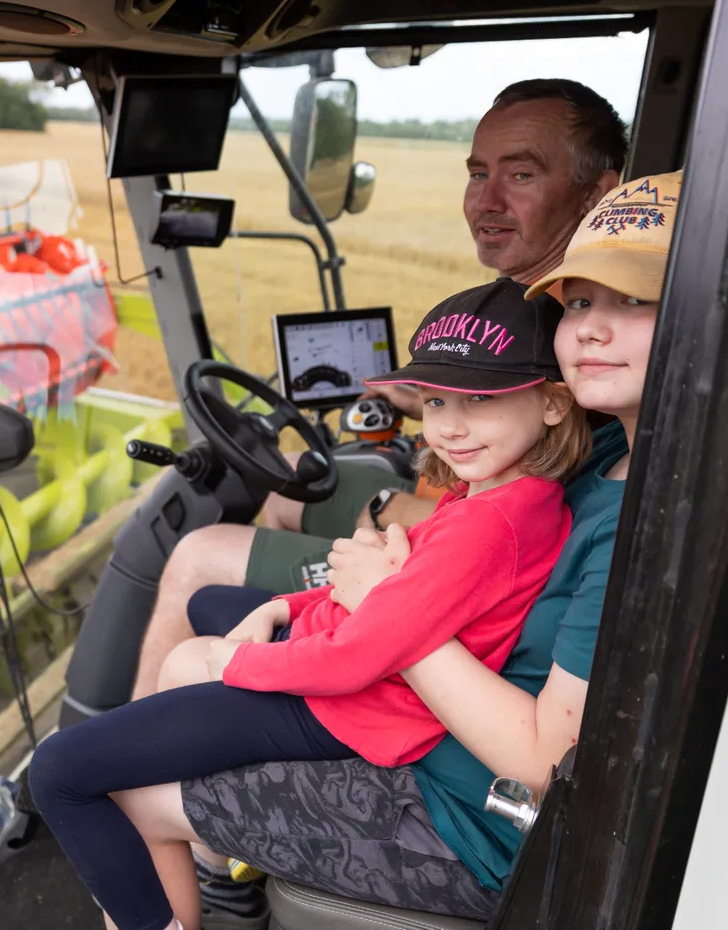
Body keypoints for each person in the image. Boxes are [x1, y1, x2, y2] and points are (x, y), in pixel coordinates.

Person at [104, 170, 683, 928]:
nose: (592, 329)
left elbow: (546, 762)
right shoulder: (609, 447)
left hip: (464, 821)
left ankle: (223, 880)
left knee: (132, 793)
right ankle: (227, 866)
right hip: (437, 742)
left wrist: (385, 603)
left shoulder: (635, 524)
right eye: (578, 303)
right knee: (211, 635)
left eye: (635, 300)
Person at [30, 279, 595, 930]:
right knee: (212, 599)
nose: (449, 426)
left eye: (479, 399)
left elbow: (357, 657)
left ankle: (191, 883)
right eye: (436, 399)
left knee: (62, 770)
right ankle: (215, 859)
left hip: (355, 709)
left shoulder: (486, 524)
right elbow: (394, 601)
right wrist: (283, 610)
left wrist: (234, 661)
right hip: (375, 689)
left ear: (553, 403)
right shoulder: (497, 496)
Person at [130, 78, 629, 703]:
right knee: (289, 477)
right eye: (478, 175)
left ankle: (145, 767)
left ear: (597, 196)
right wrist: (423, 402)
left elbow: (523, 524)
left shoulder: (586, 346)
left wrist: (384, 513)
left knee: (198, 558)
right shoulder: (526, 312)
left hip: (469, 578)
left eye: (522, 176)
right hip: (449, 523)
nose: (486, 202)